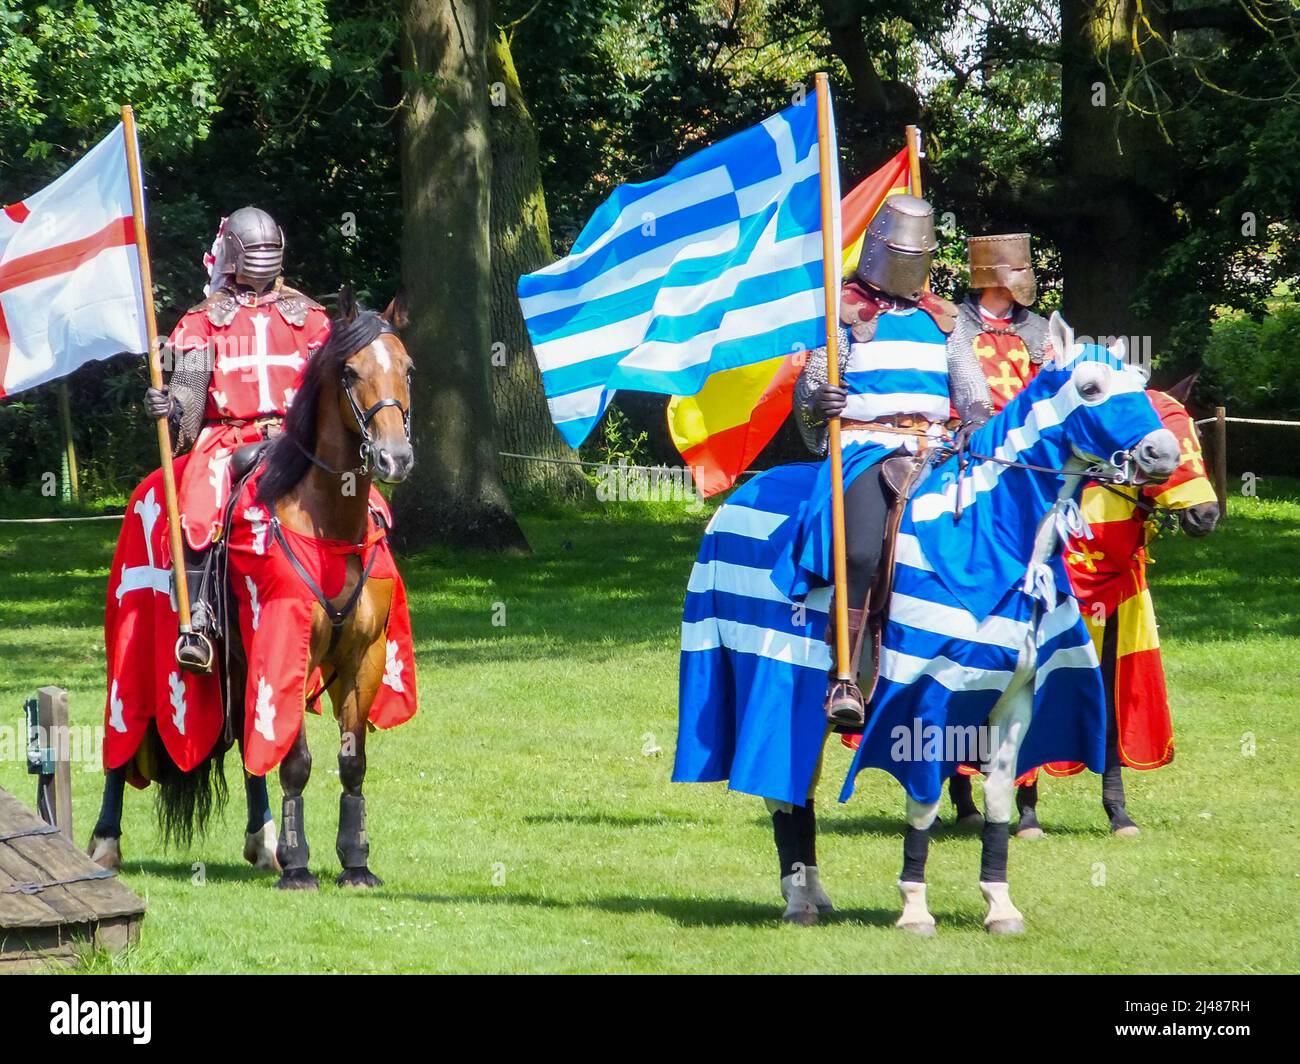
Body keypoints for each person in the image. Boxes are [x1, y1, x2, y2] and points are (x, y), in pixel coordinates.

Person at [788, 194, 992, 727]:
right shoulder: (846, 313)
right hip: (864, 448)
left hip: (938, 449)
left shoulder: (946, 320)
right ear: (879, 249)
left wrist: (973, 416)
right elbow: (809, 396)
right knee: (859, 553)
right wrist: (820, 403)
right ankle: (844, 680)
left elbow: (972, 393)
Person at [142, 206, 330, 667]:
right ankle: (200, 618)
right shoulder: (204, 318)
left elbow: (332, 388)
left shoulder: (310, 316)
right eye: (256, 250)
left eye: (269, 250)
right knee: (198, 509)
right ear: (232, 255)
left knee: (364, 505)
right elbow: (188, 388)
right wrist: (175, 408)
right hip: (228, 439)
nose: (262, 258)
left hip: (296, 436)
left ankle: (362, 597)